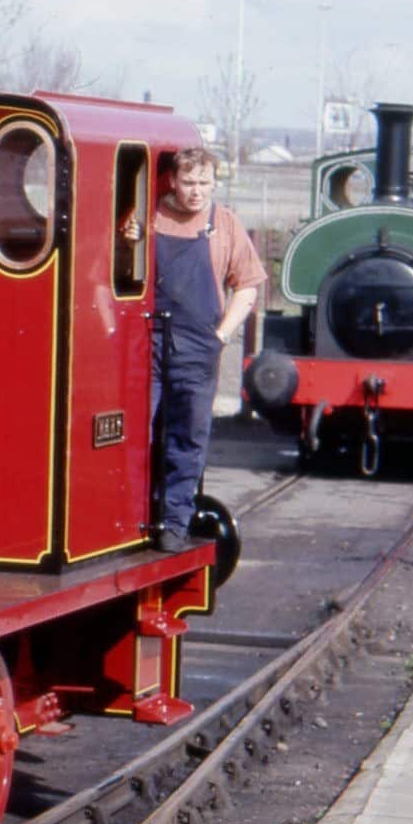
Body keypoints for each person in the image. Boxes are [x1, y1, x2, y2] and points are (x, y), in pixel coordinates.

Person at [122, 147, 265, 550]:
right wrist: (125, 238)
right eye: (189, 182)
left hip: (198, 345)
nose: (197, 191)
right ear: (171, 181)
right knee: (137, 430)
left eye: (204, 183)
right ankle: (132, 517)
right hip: (145, 342)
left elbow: (249, 285)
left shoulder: (224, 224)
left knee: (187, 437)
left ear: (214, 184)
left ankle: (174, 523)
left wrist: (222, 334)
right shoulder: (146, 217)